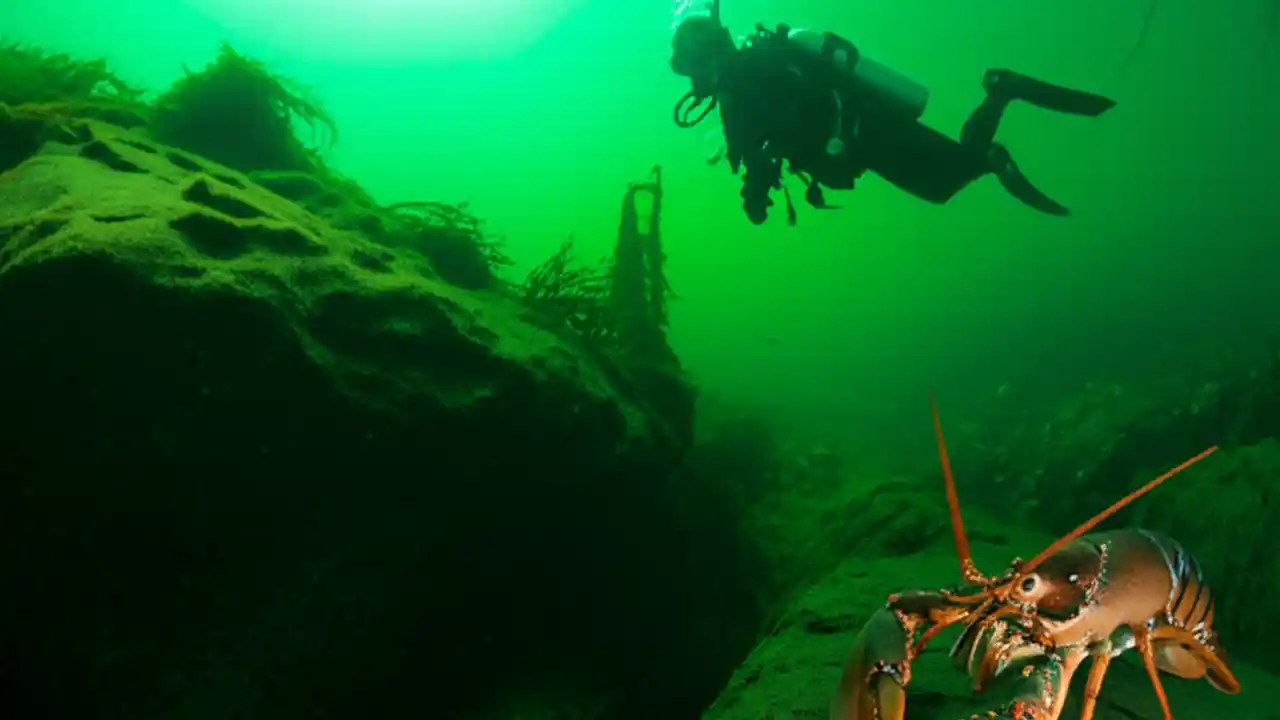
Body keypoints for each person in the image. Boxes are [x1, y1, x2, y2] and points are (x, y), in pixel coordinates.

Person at [669, 13, 1117, 225]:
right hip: (868, 132)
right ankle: (996, 108)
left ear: (702, 58)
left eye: (689, 68)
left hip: (868, 134)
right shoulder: (757, 63)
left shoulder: (738, 82)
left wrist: (755, 194)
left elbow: (759, 144)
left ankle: (1000, 94)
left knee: (948, 177)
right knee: (943, 183)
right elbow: (776, 132)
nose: (692, 81)